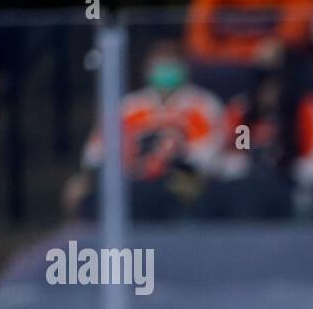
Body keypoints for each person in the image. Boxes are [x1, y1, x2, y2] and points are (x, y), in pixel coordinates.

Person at [65, 41, 225, 220]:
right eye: (159, 65)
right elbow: (95, 152)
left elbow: (206, 155)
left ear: (184, 68)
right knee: (77, 188)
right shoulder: (128, 107)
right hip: (128, 178)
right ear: (147, 69)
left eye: (171, 64)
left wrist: (166, 160)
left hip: (174, 179)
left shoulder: (204, 105)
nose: (165, 71)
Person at [211, 68, 313, 217]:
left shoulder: (303, 107)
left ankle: (301, 211)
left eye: (273, 90)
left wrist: (287, 164)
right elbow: (238, 148)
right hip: (257, 166)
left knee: (309, 169)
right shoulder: (243, 109)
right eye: (264, 90)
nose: (269, 96)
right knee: (231, 165)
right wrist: (254, 156)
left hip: (297, 164)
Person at [186, 0, 313, 66]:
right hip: (223, 64)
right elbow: (198, 32)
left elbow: (297, 31)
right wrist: (233, 54)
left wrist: (267, 50)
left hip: (273, 66)